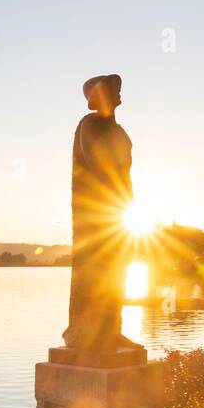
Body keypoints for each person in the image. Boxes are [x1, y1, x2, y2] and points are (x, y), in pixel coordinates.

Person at [62, 73, 144, 361]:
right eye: (115, 89)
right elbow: (98, 160)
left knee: (116, 270)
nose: (121, 94)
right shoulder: (90, 125)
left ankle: (111, 329)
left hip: (119, 211)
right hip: (96, 213)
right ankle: (87, 333)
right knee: (95, 271)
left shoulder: (118, 130)